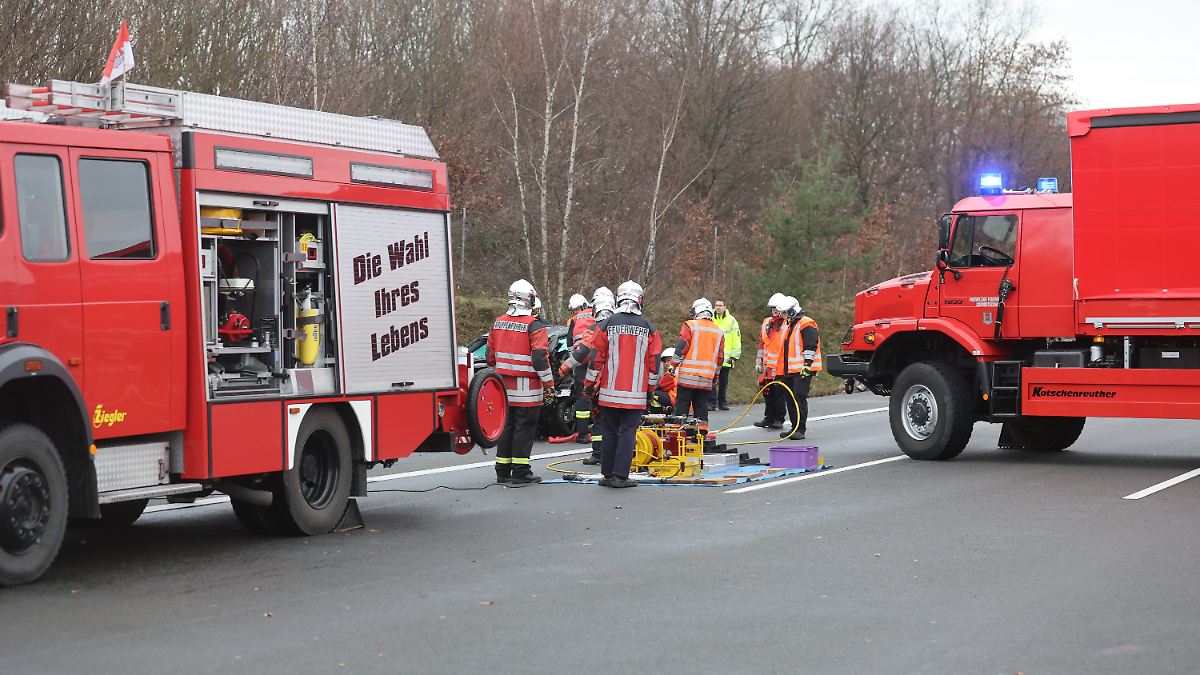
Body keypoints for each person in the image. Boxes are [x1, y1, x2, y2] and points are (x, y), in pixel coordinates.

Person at [584, 280, 661, 488]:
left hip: (609, 392)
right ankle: (621, 476)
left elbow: (595, 358)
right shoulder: (649, 328)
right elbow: (654, 365)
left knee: (609, 431)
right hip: (635, 393)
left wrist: (589, 386)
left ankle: (607, 475)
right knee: (628, 431)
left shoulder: (607, 324)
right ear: (640, 299)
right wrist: (650, 391)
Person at [486, 279, 555, 484]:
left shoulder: (498, 322)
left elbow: (490, 355)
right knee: (525, 429)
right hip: (527, 388)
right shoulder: (534, 326)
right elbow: (540, 359)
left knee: (507, 426)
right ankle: (521, 471)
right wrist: (549, 384)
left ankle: (502, 470)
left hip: (503, 387)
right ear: (529, 300)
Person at [560, 288, 616, 461]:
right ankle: (617, 453)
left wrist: (564, 367)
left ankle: (597, 450)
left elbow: (580, 350)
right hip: (617, 377)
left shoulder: (590, 326)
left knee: (596, 411)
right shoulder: (621, 327)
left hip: (590, 372)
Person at [671, 297, 724, 435]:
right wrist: (716, 376)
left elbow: (681, 347)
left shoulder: (690, 325)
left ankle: (678, 435)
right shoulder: (718, 331)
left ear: (696, 311)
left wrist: (673, 365)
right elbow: (720, 358)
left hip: (688, 377)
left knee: (682, 406)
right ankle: (701, 436)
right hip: (706, 378)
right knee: (701, 408)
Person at [774, 297, 822, 439]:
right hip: (790, 370)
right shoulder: (790, 324)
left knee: (799, 397)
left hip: (802, 369)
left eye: (783, 312)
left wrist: (807, 365)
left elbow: (810, 345)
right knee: (790, 398)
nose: (781, 315)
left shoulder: (806, 323)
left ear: (791, 310)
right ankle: (794, 427)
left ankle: (801, 429)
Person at [754, 293, 789, 429]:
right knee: (767, 391)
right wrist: (759, 360)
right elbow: (762, 343)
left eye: (777, 307)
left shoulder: (787, 323)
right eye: (772, 307)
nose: (774, 310)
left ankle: (779, 418)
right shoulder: (766, 322)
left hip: (780, 366)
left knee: (779, 392)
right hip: (767, 365)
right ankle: (769, 417)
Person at [564, 292, 596, 441]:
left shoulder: (574, 320)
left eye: (575, 310)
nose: (575, 313)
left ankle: (583, 433)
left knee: (582, 396)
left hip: (582, 364)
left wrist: (572, 362)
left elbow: (569, 343)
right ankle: (596, 432)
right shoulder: (598, 315)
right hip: (598, 362)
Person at [708, 299, 741, 410]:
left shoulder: (731, 320)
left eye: (720, 305)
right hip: (711, 356)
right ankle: (712, 402)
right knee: (711, 380)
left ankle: (722, 402)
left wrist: (734, 356)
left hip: (726, 357)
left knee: (723, 382)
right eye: (716, 305)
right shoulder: (710, 318)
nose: (718, 307)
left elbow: (736, 339)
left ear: (725, 306)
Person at [650, 347, 678, 413]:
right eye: (665, 361)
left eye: (668, 360)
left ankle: (656, 414)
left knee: (654, 394)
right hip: (679, 399)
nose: (666, 363)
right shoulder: (680, 369)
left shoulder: (671, 371)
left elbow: (661, 386)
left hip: (674, 398)